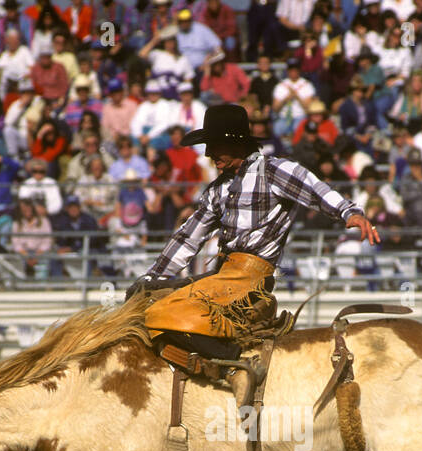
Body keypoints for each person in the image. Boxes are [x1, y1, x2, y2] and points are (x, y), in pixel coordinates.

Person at [125, 103, 377, 405]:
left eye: (214, 146)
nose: (208, 155)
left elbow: (314, 188)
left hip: (249, 281)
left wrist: (349, 212)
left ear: (235, 143)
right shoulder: (218, 190)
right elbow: (188, 237)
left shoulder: (274, 171)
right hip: (223, 277)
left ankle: (233, 365)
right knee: (142, 300)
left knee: (160, 312)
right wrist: (152, 279)